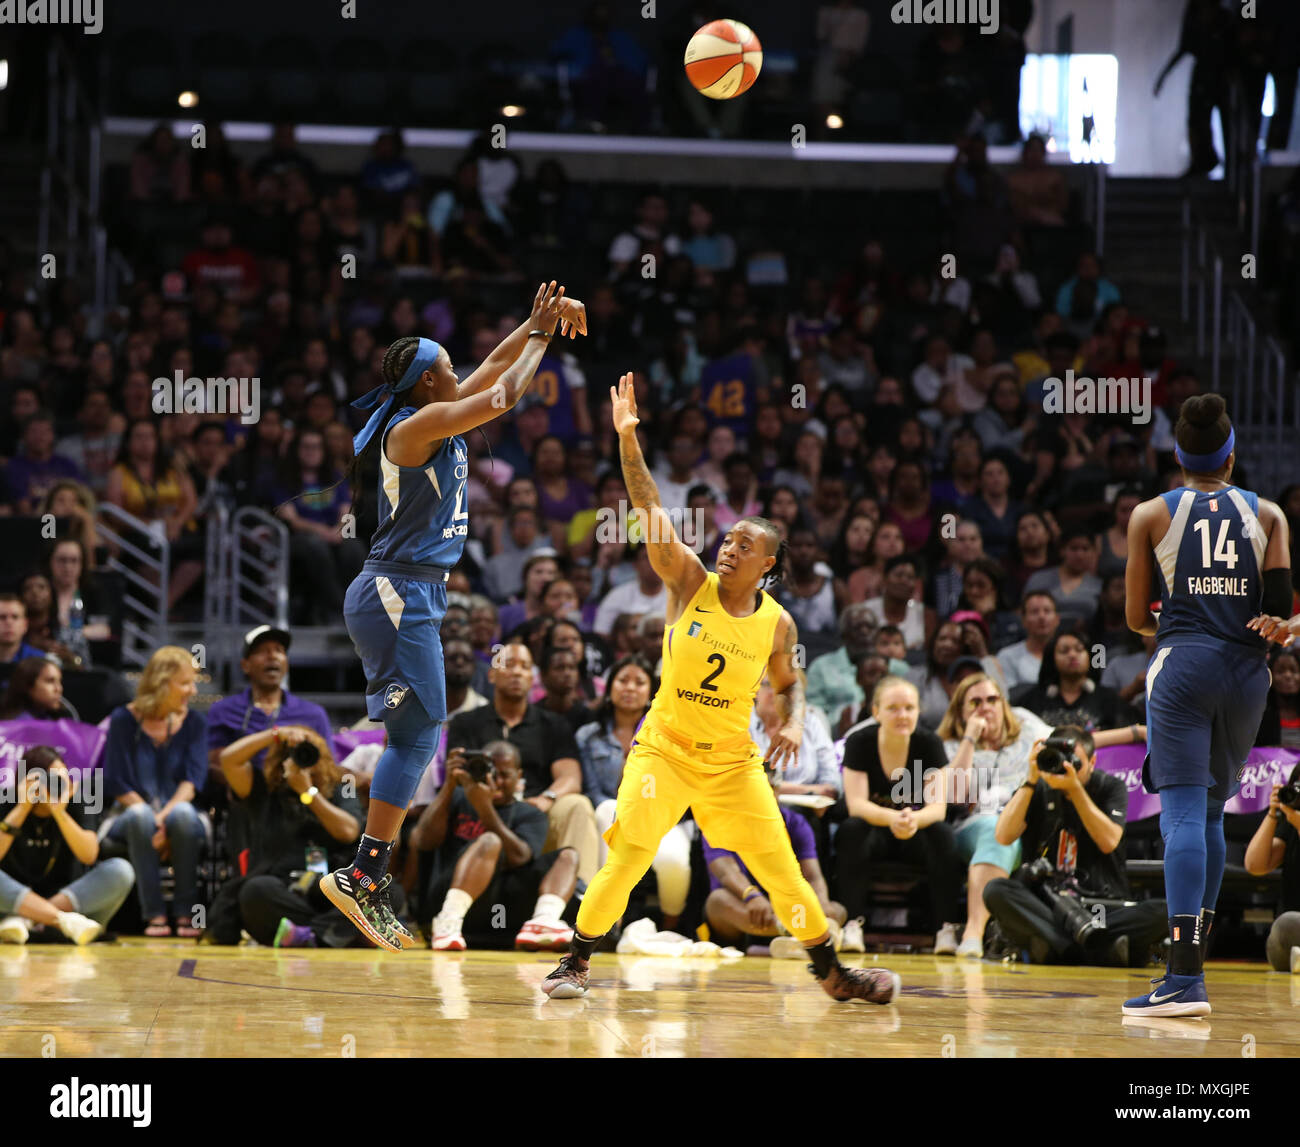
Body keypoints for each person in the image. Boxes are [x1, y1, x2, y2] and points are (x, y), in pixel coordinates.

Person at [541, 374, 900, 1003]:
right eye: (728, 540)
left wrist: (790, 720)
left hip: (732, 762)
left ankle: (833, 973)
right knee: (626, 859)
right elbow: (649, 509)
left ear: (769, 565)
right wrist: (628, 439)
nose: (730, 549)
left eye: (746, 546)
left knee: (781, 870)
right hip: (664, 748)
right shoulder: (687, 580)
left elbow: (790, 685)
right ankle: (576, 960)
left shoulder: (777, 622)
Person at [321, 282, 586, 951]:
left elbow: (492, 372)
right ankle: (363, 873)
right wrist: (542, 341)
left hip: (409, 593)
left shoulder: (430, 412)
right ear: (424, 383)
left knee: (413, 736)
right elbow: (502, 394)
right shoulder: (414, 427)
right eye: (444, 368)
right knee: (417, 736)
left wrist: (534, 323)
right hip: (396, 591)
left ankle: (365, 872)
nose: (456, 372)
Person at [1124, 393, 1291, 1017]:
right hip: (1248, 675)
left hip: (1184, 665)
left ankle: (1183, 977)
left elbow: (1135, 616)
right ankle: (1193, 967)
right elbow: (1278, 616)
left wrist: (1177, 613)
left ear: (1177, 454)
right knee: (1213, 814)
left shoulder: (1148, 515)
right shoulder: (1269, 514)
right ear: (1232, 455)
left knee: (1184, 815)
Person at [986, 725, 1167, 966]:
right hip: (1049, 907)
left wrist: (1075, 790)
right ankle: (1098, 949)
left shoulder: (1110, 787)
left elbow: (1109, 841)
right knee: (995, 890)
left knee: (1166, 911)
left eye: (1075, 762)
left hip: (1102, 907)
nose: (1064, 768)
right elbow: (1003, 836)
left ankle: (1058, 947)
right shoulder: (1037, 788)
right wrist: (1030, 780)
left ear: (1092, 762)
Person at [443, 641, 599, 883]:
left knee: (577, 805)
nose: (517, 672)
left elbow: (571, 777)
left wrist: (546, 799)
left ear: (531, 677)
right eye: (509, 664)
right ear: (492, 675)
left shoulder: (553, 724)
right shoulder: (466, 722)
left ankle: (580, 896)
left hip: (534, 811)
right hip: (481, 809)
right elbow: (457, 776)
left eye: (525, 666)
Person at [837, 677, 964, 956]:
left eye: (909, 708)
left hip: (914, 831)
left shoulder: (929, 743)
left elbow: (937, 808)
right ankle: (852, 924)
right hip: (875, 830)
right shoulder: (859, 742)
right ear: (876, 712)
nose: (902, 715)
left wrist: (912, 821)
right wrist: (892, 818)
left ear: (919, 711)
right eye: (893, 708)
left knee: (943, 834)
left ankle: (945, 928)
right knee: (850, 829)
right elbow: (856, 804)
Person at [412, 741, 578, 951]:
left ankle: (543, 922)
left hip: (502, 911)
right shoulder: (457, 799)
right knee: (490, 841)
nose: (496, 781)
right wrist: (449, 785)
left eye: (505, 775)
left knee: (568, 856)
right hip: (449, 898)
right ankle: (447, 921)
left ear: (519, 776)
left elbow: (519, 858)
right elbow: (424, 840)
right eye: (490, 772)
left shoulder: (531, 813)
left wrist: (484, 808)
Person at [213, 727, 367, 948]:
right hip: (282, 892)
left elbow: (348, 832)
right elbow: (229, 759)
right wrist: (276, 735)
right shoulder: (264, 790)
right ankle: (337, 933)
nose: (303, 759)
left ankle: (308, 935)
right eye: (293, 754)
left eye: (308, 751)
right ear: (281, 761)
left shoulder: (342, 788)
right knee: (254, 891)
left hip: (329, 892)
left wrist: (308, 792)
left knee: (380, 887)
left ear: (322, 756)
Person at [101, 646, 208, 937]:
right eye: (185, 682)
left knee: (183, 815)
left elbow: (192, 782)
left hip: (180, 812)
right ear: (162, 682)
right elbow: (117, 781)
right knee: (138, 816)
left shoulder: (195, 723)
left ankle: (186, 914)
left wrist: (161, 818)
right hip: (127, 814)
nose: (192, 690)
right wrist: (152, 818)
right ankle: (154, 915)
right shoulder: (123, 720)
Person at [579, 656, 692, 932]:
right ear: (609, 688)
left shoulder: (670, 735)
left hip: (662, 818)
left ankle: (670, 927)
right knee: (607, 808)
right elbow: (592, 791)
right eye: (622, 681)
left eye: (639, 682)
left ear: (651, 692)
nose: (630, 688)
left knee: (674, 862)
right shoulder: (588, 736)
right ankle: (606, 924)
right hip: (610, 814)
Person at [0, 746, 135, 946]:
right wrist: (22, 807)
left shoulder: (77, 802)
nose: (56, 786)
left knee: (121, 871)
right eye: (49, 780)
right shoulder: (7, 800)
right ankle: (59, 922)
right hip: (16, 905)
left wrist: (59, 812)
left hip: (68, 907)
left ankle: (29, 921)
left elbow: (88, 855)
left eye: (62, 779)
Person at [1243, 763, 1300, 974]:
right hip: (1293, 933)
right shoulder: (1291, 822)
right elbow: (1255, 865)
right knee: (1285, 925)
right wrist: (1273, 813)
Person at [995, 591, 1060, 693]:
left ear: (1057, 619)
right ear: (1023, 620)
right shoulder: (1007, 657)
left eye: (1047, 611)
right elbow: (1007, 697)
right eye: (1034, 612)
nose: (1042, 617)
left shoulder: (1069, 656)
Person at [0, 656, 75, 721]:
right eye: (50, 681)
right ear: (28, 685)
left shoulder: (54, 720)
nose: (58, 689)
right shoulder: (15, 725)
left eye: (59, 681)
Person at [0, 595, 47, 666]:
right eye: (2, 617)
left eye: (15, 617)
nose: (9, 622)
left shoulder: (40, 661)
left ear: (25, 625)